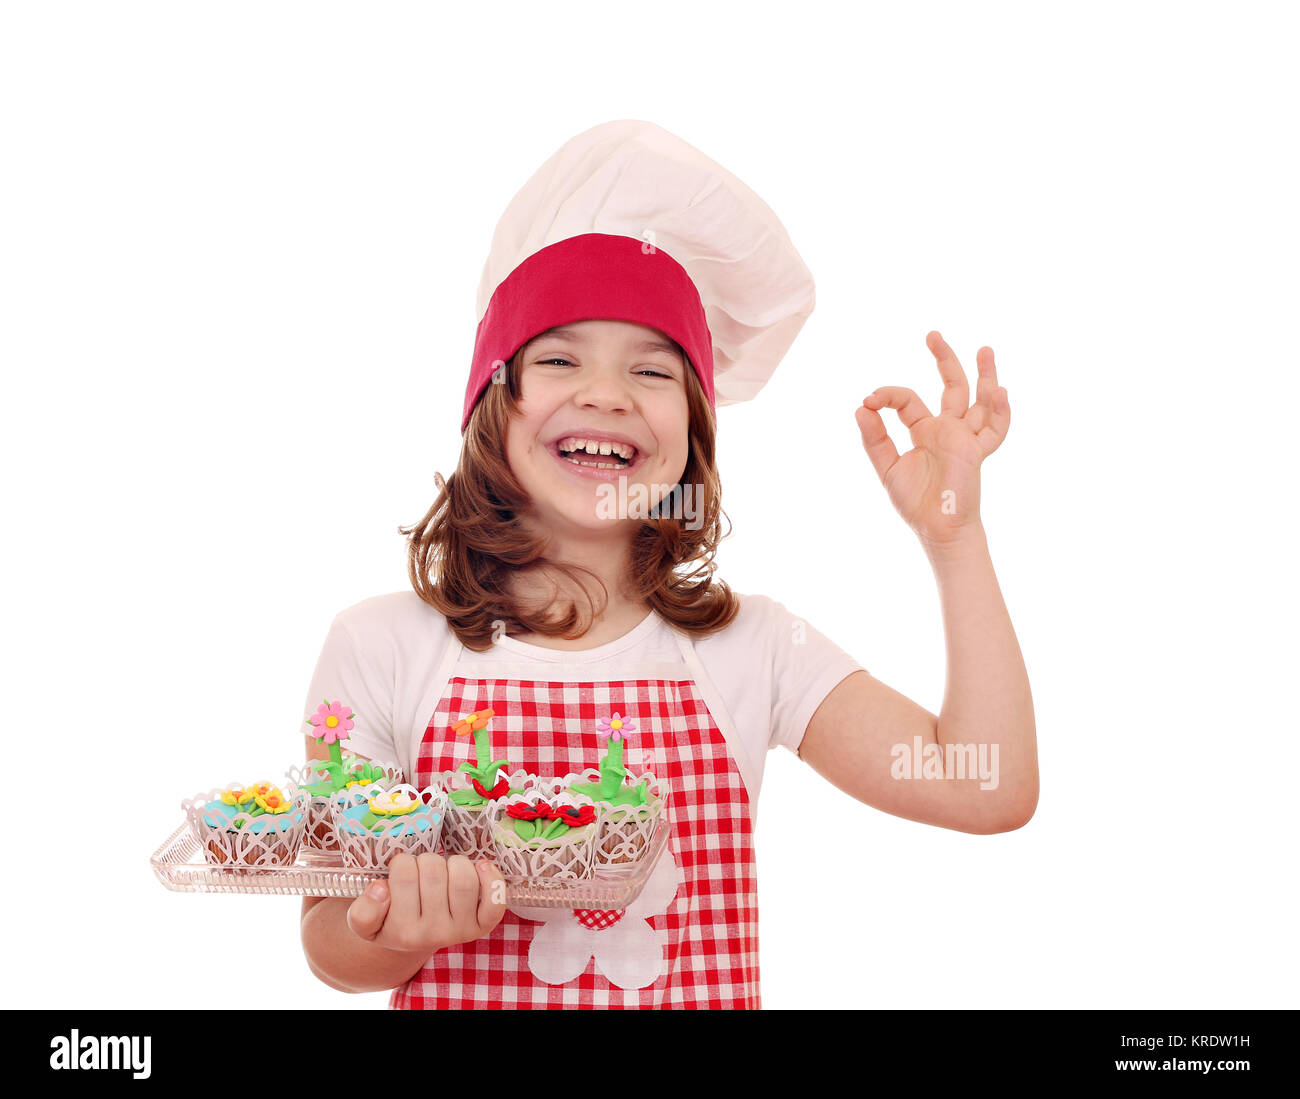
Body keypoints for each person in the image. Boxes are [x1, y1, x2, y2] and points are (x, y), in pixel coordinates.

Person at [298, 120, 1038, 1009]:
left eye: (652, 372)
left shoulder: (754, 649)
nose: (605, 392)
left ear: (692, 438)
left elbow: (984, 786)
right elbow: (330, 945)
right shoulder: (383, 646)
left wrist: (952, 537)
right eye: (560, 357)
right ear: (494, 403)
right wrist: (391, 926)